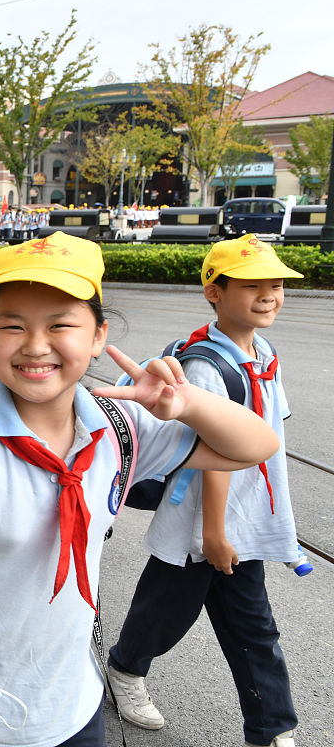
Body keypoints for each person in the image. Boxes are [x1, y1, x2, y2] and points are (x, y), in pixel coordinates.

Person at [0, 231, 282, 747]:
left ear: (98, 337)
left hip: (71, 704)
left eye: (61, 325)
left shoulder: (118, 429)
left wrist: (188, 404)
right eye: (11, 325)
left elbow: (256, 445)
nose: (35, 345)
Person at [106, 235, 304, 747]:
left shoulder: (263, 352)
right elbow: (214, 458)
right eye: (252, 285)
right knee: (166, 612)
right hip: (203, 520)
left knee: (252, 627)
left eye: (277, 284)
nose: (269, 295)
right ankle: (126, 670)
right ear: (213, 291)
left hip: (242, 516)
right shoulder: (206, 366)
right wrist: (215, 533)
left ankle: (273, 728)